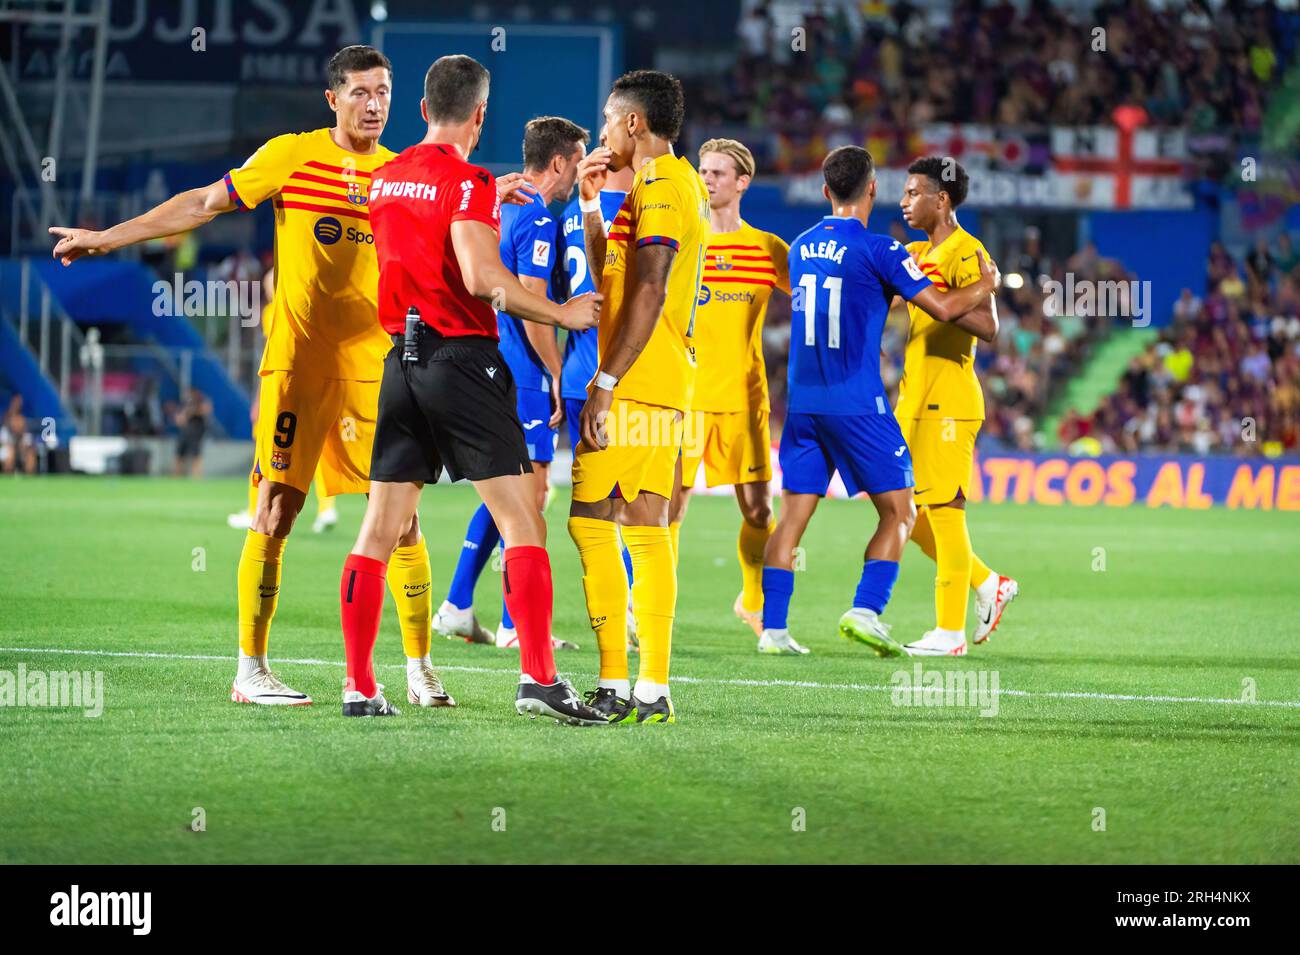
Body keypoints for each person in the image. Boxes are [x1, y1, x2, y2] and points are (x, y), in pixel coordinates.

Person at [49, 46, 496, 709]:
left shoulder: (399, 174)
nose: (375, 104)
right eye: (361, 92)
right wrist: (110, 237)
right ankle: (250, 668)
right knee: (277, 509)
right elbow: (203, 202)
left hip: (376, 367)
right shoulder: (291, 155)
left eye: (384, 92)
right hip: (299, 364)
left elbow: (456, 218)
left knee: (403, 520)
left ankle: (420, 666)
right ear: (333, 98)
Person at [338, 54, 605, 724]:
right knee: (524, 519)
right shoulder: (470, 182)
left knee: (378, 529)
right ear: (480, 115)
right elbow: (484, 279)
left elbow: (426, 217)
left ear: (422, 110)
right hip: (462, 359)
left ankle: (360, 685)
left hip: (400, 360)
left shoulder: (385, 178)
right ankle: (539, 679)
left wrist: (486, 191)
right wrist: (565, 314)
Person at [759, 146, 999, 657]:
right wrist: (988, 283)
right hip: (857, 405)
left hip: (801, 406)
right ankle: (866, 610)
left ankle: (773, 630)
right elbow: (943, 305)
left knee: (792, 518)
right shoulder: (882, 250)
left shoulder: (801, 246)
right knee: (901, 512)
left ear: (825, 192)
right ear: (871, 190)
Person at [567, 70, 709, 724]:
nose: (599, 134)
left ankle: (612, 682)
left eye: (605, 120)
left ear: (633, 124)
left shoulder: (661, 186)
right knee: (647, 528)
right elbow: (614, 277)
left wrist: (604, 383)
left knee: (590, 521)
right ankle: (651, 688)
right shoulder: (663, 187)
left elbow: (648, 292)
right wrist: (591, 205)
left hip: (635, 385)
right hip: (658, 383)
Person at [433, 116, 590, 651]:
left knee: (507, 492)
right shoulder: (539, 216)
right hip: (520, 372)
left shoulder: (492, 200)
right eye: (576, 163)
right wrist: (553, 372)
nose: (575, 178)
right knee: (528, 497)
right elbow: (530, 305)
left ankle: (458, 605)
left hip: (480, 360)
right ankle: (512, 624)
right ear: (559, 163)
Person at [667, 138, 790, 649]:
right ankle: (647, 610)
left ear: (743, 182)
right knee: (667, 511)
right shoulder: (681, 242)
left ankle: (753, 601)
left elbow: (816, 294)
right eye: (703, 171)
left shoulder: (768, 249)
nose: (707, 179)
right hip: (684, 399)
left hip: (744, 400)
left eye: (719, 172)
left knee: (759, 512)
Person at [897, 156, 1018, 655]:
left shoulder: (966, 252)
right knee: (899, 510)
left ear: (940, 199)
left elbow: (989, 328)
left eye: (913, 193)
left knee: (944, 511)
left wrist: (963, 292)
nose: (904, 202)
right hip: (914, 398)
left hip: (949, 400)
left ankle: (949, 632)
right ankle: (988, 582)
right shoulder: (916, 252)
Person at [559, 129, 639, 651]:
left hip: (575, 373)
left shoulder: (571, 208)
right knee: (633, 512)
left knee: (593, 511)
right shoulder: (642, 208)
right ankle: (624, 622)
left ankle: (509, 621)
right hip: (617, 375)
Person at [172, 387, 212, 478]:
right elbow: (179, 421)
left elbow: (206, 410)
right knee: (179, 455)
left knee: (196, 456)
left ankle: (196, 476)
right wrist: (185, 414)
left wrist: (193, 411)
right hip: (185, 433)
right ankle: (176, 476)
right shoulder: (186, 404)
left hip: (197, 433)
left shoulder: (201, 402)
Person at [1, 395, 37, 475]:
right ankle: (8, 476)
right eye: (17, 402)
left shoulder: (22, 419)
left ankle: (29, 478)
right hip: (8, 445)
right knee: (10, 453)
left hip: (20, 446)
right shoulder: (7, 417)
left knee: (30, 455)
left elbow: (25, 437)